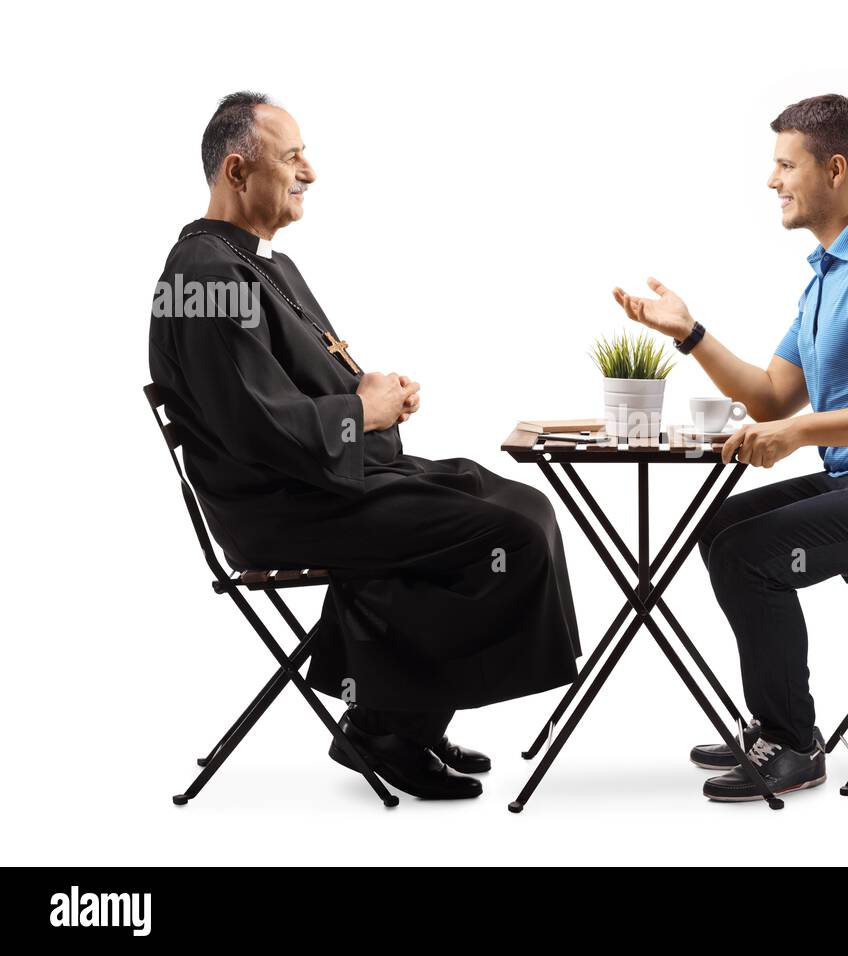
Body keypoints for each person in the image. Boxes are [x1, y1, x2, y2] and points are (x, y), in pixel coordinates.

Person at [148, 92, 582, 800]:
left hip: (328, 479)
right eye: (292, 156)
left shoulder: (260, 265)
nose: (309, 171)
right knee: (499, 534)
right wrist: (361, 410)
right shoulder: (205, 276)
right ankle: (389, 726)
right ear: (237, 170)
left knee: (515, 501)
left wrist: (377, 394)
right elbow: (257, 426)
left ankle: (400, 714)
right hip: (284, 505)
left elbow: (313, 379)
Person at [613, 93, 848, 802]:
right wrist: (689, 334)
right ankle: (776, 722)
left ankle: (794, 743)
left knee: (751, 553)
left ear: (834, 170)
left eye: (785, 165)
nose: (771, 181)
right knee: (719, 528)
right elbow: (773, 397)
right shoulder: (829, 274)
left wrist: (799, 433)